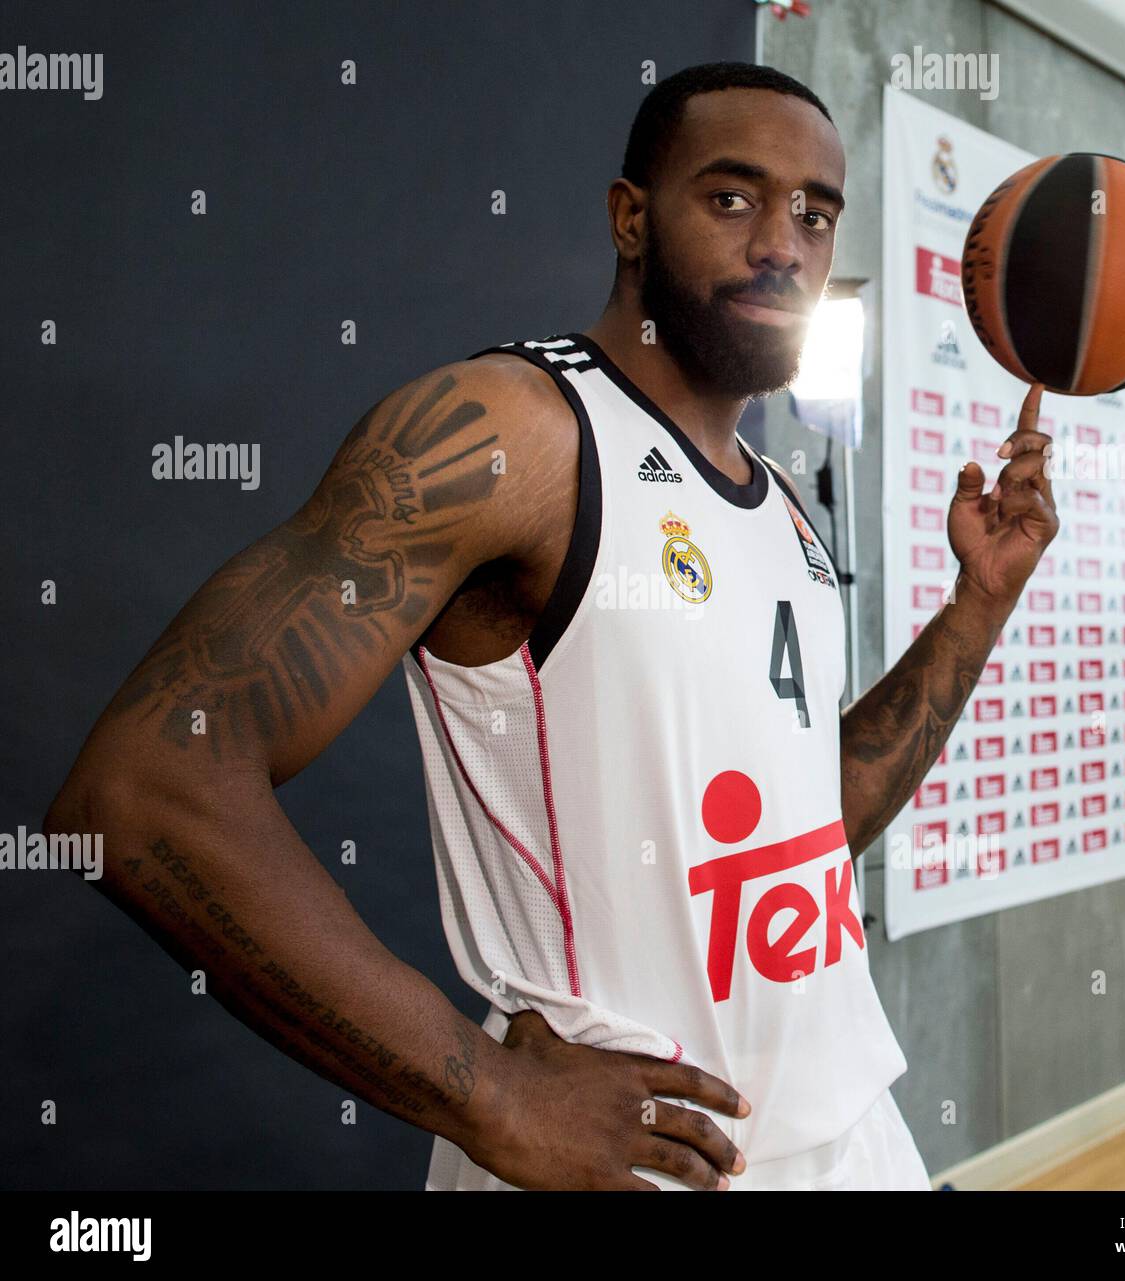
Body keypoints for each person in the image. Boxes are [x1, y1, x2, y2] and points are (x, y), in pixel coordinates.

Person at [45, 60, 1057, 1191]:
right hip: (628, 1157)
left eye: (813, 214)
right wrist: (487, 1092)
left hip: (848, 1131)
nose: (783, 243)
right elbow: (141, 793)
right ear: (631, 219)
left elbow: (799, 829)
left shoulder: (780, 508)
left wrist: (976, 609)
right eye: (732, 199)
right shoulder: (512, 433)